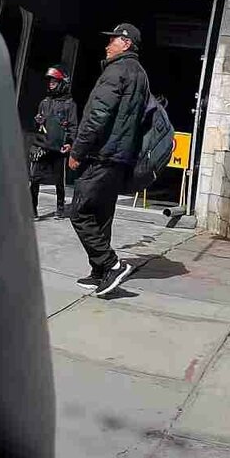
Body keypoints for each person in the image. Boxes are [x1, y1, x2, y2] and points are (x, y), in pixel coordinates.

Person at [68, 23, 149, 296]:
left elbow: (97, 116)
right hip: (121, 157)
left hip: (103, 154)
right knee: (102, 214)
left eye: (112, 40)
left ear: (126, 43)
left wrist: (78, 151)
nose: (107, 44)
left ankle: (111, 264)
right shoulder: (140, 74)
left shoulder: (116, 71)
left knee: (79, 212)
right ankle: (100, 272)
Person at [28, 65, 78, 219]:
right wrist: (38, 122)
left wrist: (69, 143)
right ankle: (33, 209)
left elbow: (73, 126)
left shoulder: (70, 104)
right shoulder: (44, 102)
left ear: (63, 83)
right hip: (41, 146)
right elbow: (39, 125)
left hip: (59, 148)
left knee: (59, 181)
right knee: (34, 179)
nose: (50, 83)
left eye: (54, 81)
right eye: (49, 81)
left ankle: (60, 208)